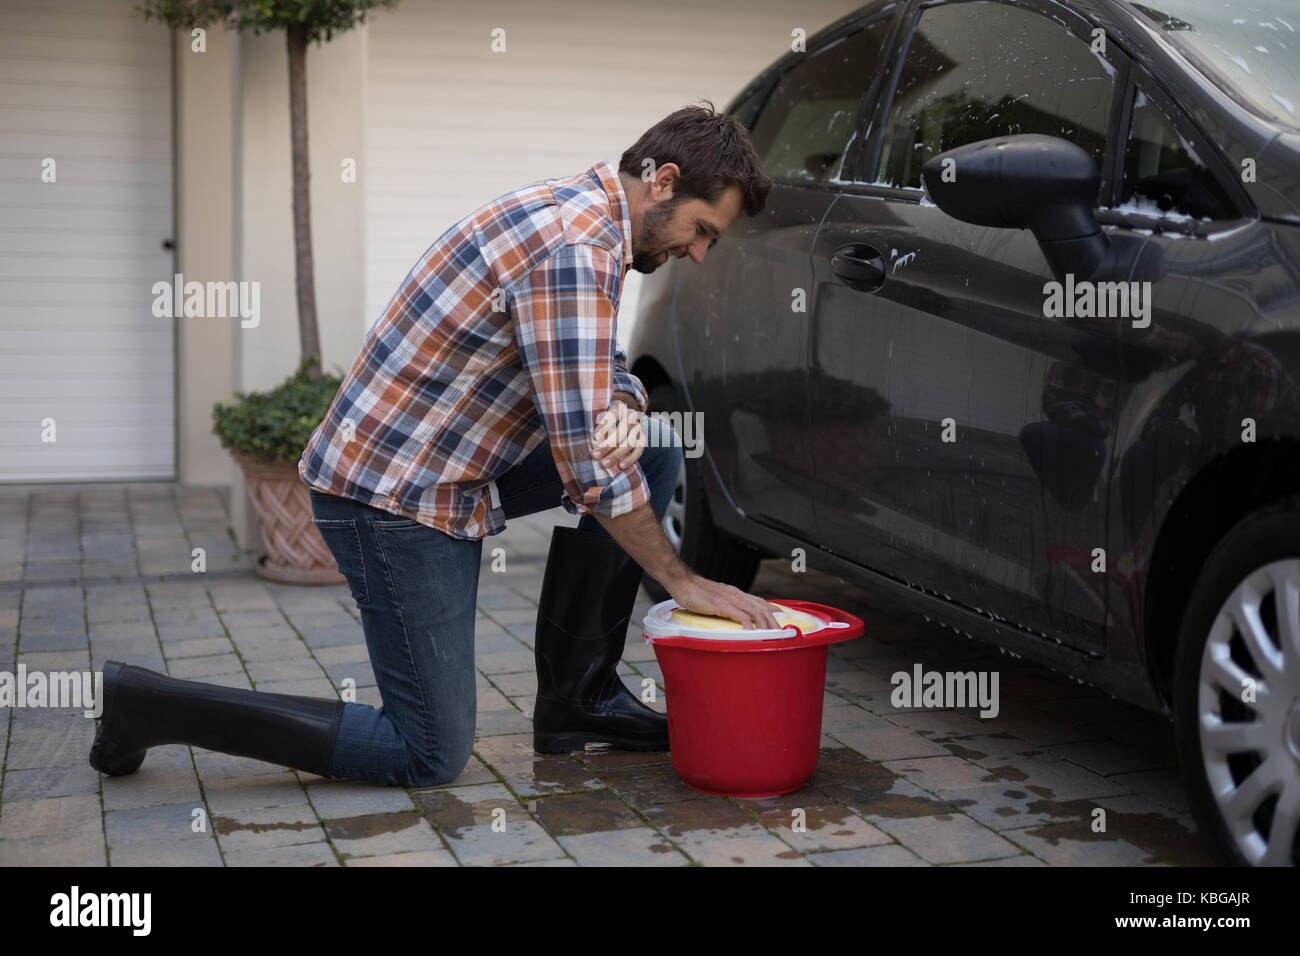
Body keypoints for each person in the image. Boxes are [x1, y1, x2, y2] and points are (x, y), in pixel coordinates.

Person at [90, 103, 778, 788]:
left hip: (447, 467)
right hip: (392, 501)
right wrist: (684, 581)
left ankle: (580, 703)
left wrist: (625, 404)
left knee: (650, 445)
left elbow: (596, 369)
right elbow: (589, 463)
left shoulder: (588, 220)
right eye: (701, 230)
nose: (697, 253)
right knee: (427, 752)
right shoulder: (574, 247)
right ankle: (146, 705)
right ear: (662, 181)